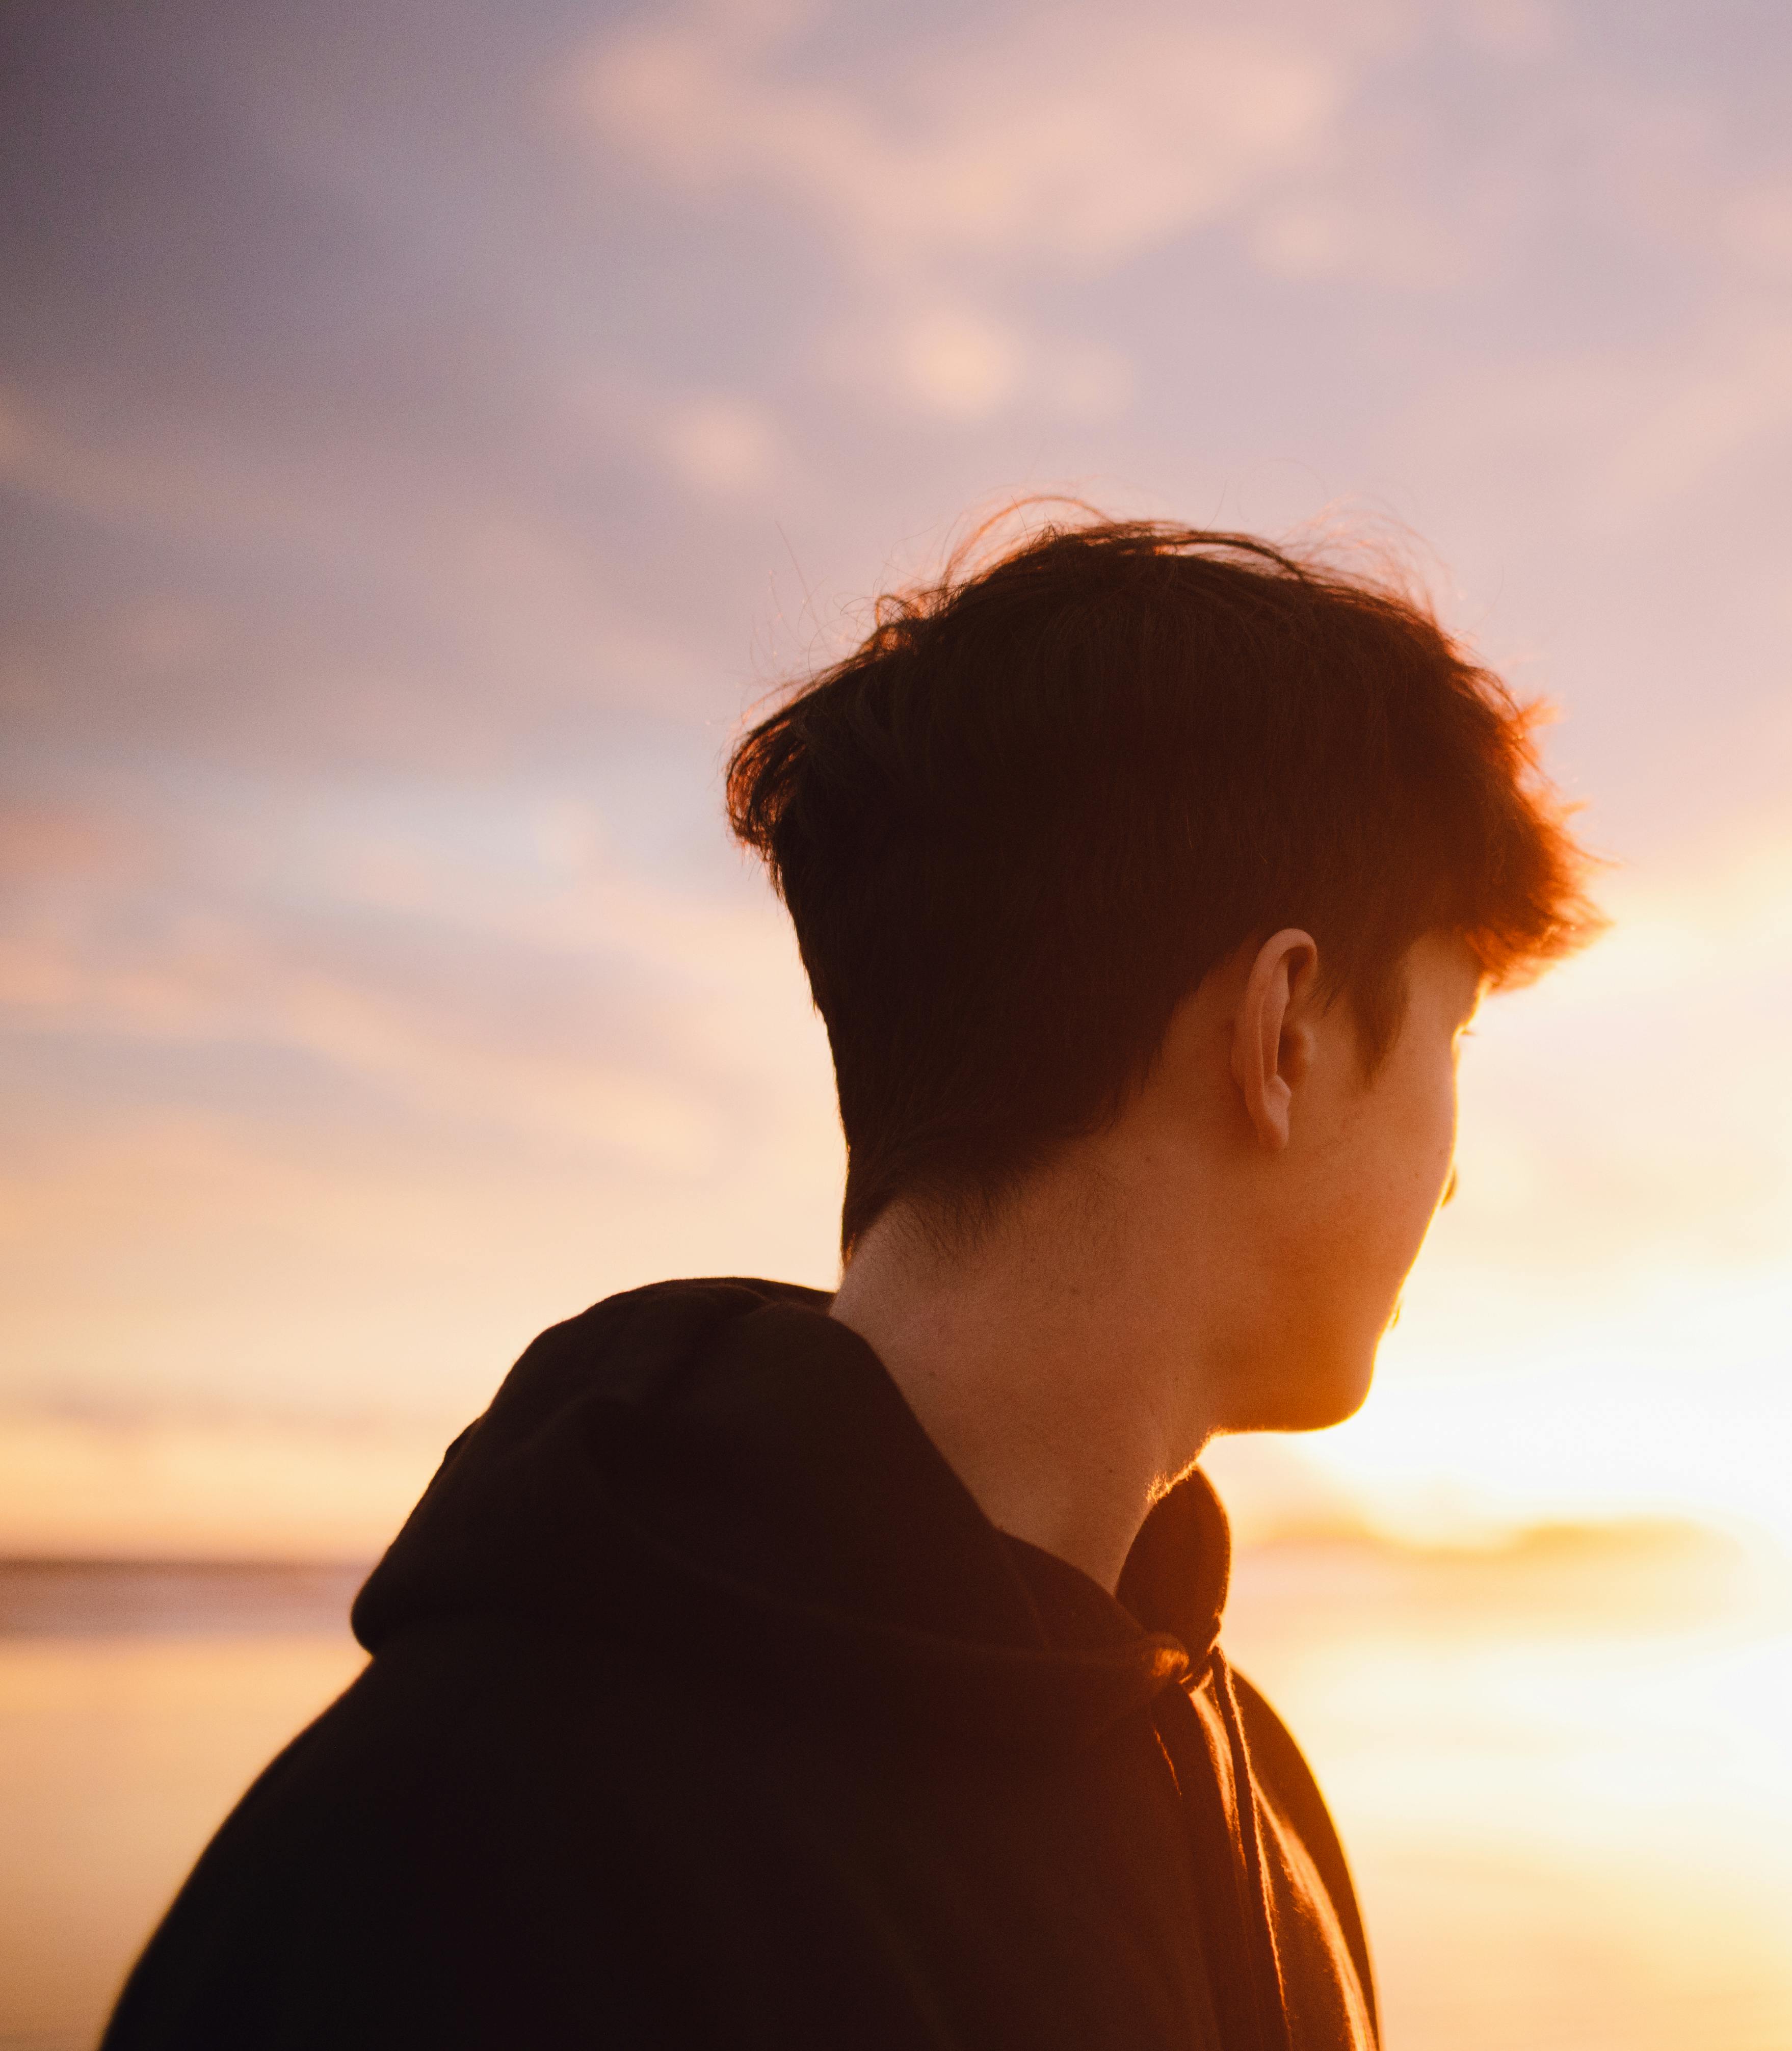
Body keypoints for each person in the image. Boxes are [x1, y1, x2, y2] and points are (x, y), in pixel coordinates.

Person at [102, 517, 1599, 2050]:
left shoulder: (1237, 1770)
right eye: (1453, 1038)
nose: (1457, 1169)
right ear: (1282, 1033)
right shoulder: (434, 1865)